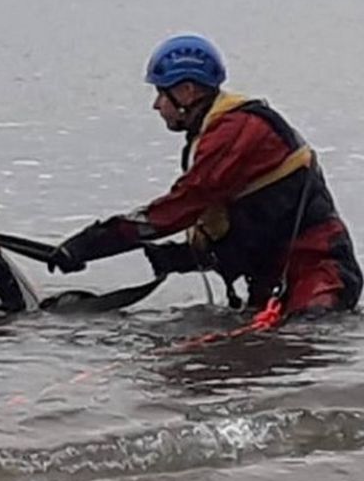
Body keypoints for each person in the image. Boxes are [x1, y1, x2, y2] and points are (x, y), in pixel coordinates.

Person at [47, 34, 362, 316]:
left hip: (320, 275)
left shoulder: (237, 131)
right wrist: (179, 258)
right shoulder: (217, 132)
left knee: (308, 333)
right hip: (277, 279)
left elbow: (181, 206)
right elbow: (246, 228)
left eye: (161, 93)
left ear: (187, 91)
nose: (156, 105)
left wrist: (90, 243)